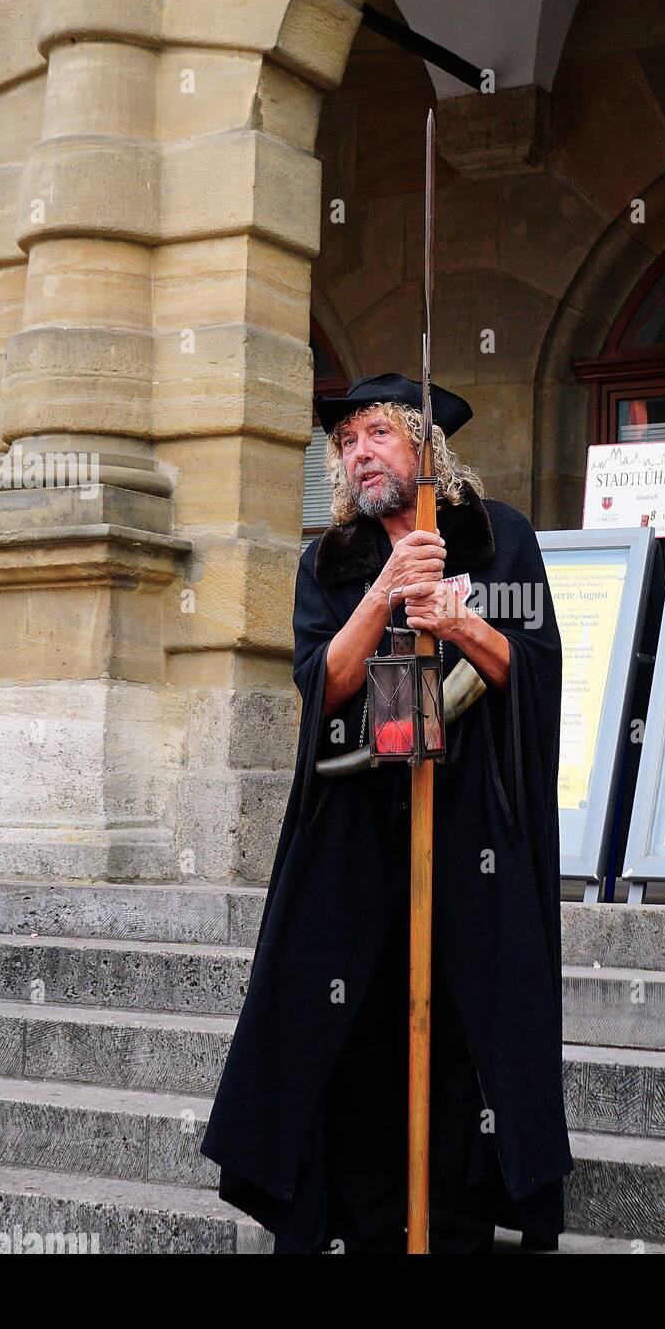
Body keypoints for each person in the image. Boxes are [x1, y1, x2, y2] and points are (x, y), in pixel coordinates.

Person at [200, 373, 574, 1254]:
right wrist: (382, 597)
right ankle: (365, 1224)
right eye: (345, 443)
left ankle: (456, 1226)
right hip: (359, 836)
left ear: (423, 447)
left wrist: (460, 622)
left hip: (474, 831)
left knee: (467, 1028)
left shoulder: (497, 536)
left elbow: (537, 670)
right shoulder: (331, 560)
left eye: (375, 434)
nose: (358, 453)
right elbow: (320, 686)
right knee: (353, 1023)